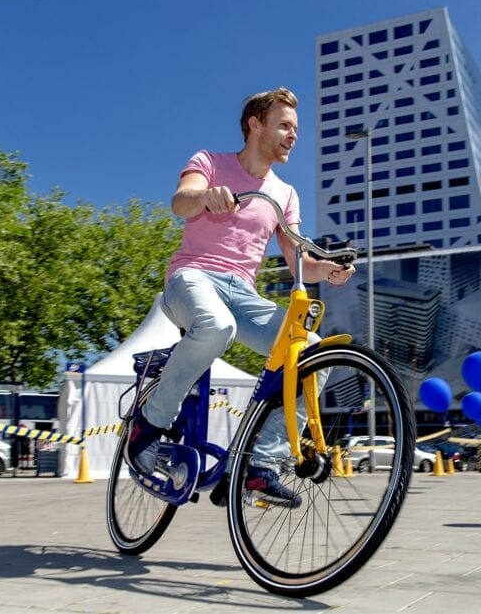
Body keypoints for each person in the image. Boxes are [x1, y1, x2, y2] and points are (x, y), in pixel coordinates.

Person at [126, 87, 355, 508]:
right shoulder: (210, 162)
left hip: (241, 292)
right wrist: (205, 198)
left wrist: (331, 271)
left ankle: (258, 467)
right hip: (191, 277)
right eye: (284, 125)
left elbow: (296, 259)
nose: (293, 135)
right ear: (255, 124)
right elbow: (181, 202)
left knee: (311, 352)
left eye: (296, 129)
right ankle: (149, 423)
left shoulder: (284, 194)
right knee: (217, 327)